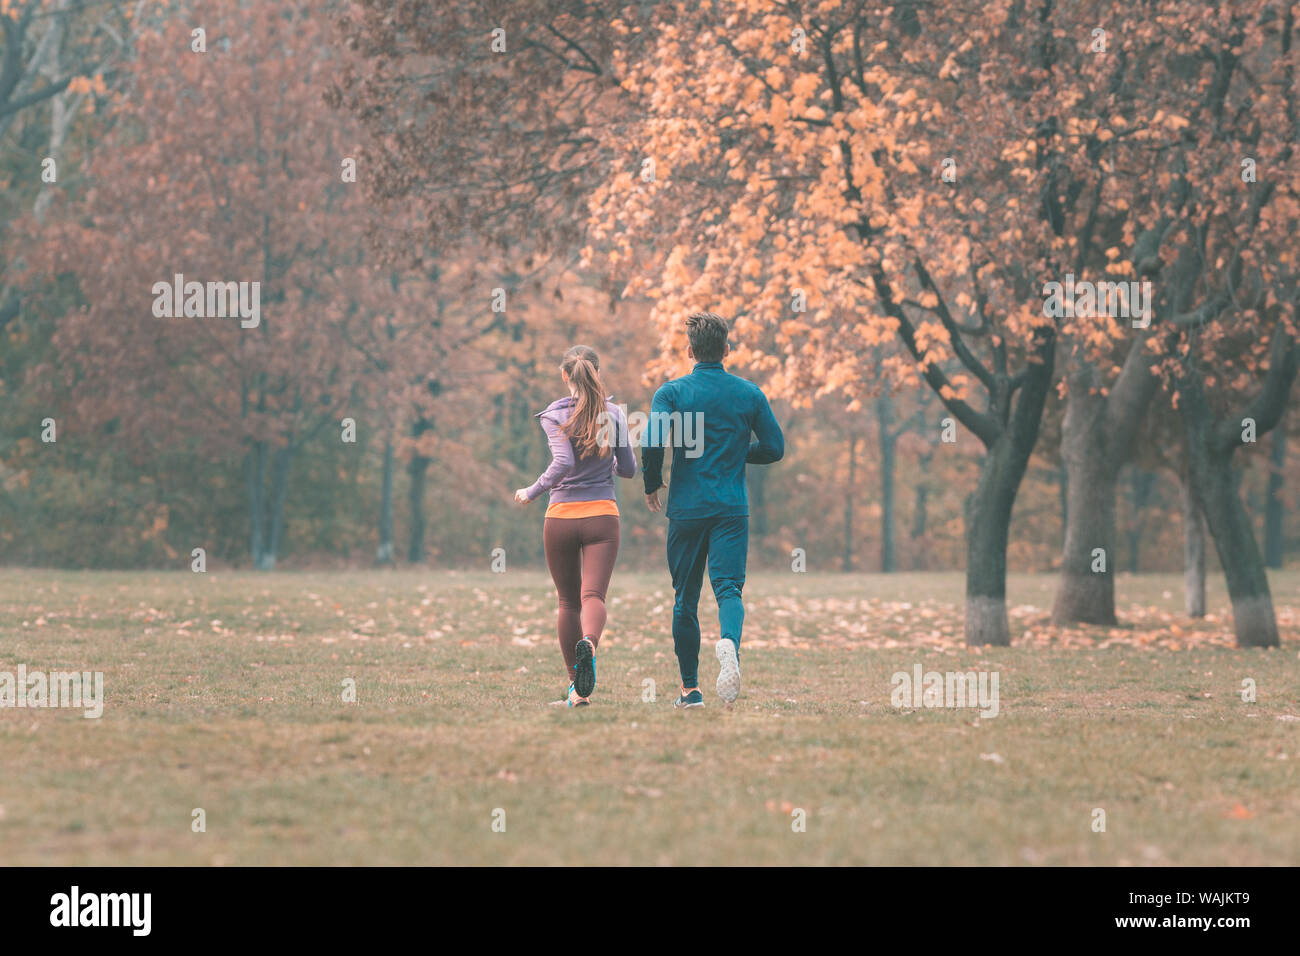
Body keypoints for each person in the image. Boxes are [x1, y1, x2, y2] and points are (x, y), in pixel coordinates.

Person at [642, 312, 784, 709]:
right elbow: (775, 448)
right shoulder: (749, 394)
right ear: (726, 350)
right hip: (730, 508)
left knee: (685, 598)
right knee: (729, 589)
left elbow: (652, 441)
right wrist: (738, 453)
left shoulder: (671, 393)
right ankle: (729, 644)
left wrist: (652, 482)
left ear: (689, 351)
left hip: (687, 508)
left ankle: (690, 691)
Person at [514, 345, 636, 707]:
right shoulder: (613, 414)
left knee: (567, 602)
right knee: (593, 597)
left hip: (562, 517)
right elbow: (628, 468)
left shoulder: (553, 416)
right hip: (602, 515)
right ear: (596, 373)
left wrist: (532, 490)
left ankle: (576, 690)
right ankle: (590, 645)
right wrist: (607, 469)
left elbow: (563, 460)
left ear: (565, 376)